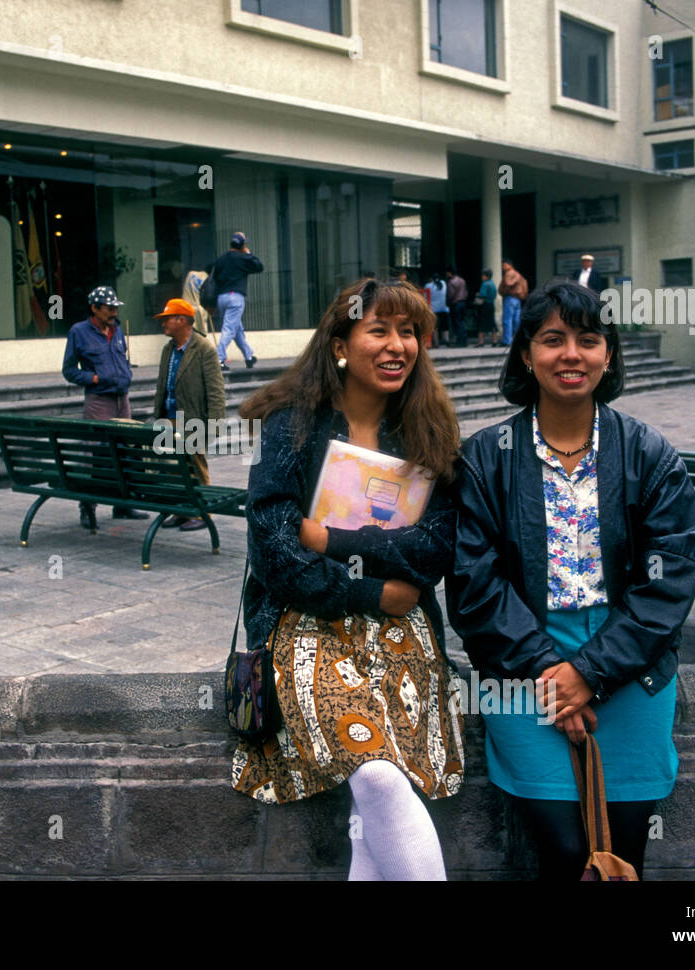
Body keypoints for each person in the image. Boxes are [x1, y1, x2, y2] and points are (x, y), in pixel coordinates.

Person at [447, 280, 695, 880]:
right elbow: (473, 581)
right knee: (563, 851)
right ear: (525, 354)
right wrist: (551, 674)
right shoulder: (486, 457)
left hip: (633, 665)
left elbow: (673, 573)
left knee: (625, 849)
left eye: (588, 340)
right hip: (520, 665)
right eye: (553, 339)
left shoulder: (648, 453)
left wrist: (590, 672)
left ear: (607, 355)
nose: (572, 354)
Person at [230, 277, 465, 880]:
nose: (397, 345)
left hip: (402, 635)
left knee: (374, 794)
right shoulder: (293, 426)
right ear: (340, 343)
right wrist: (374, 589)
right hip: (307, 626)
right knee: (378, 774)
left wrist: (333, 538)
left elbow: (435, 546)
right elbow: (278, 555)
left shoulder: (428, 431)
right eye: (379, 330)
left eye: (409, 332)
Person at [62, 285, 149, 530]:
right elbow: (68, 370)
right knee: (95, 453)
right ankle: (87, 506)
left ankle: (122, 504)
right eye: (109, 308)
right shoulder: (79, 332)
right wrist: (93, 379)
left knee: (123, 450)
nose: (113, 312)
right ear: (95, 309)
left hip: (122, 398)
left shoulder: (117, 330)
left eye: (115, 308)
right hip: (99, 400)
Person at [152, 298, 226, 531]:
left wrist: (213, 425)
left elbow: (215, 391)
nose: (163, 324)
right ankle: (181, 510)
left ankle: (203, 514)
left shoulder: (203, 348)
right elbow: (162, 385)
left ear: (182, 321)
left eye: (167, 319)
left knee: (196, 467)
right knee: (174, 468)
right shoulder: (168, 349)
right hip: (168, 417)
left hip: (193, 419)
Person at [207, 232, 263, 371]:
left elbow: (215, 280)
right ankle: (219, 359)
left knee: (237, 329)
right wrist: (248, 253)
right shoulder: (242, 258)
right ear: (242, 245)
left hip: (221, 298)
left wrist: (212, 304)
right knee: (229, 329)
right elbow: (259, 266)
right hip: (235, 297)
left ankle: (248, 356)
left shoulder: (221, 259)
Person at [498, 259, 528, 347]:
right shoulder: (519, 275)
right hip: (518, 300)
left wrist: (504, 292)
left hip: (510, 298)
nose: (502, 268)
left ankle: (507, 340)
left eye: (503, 265)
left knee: (507, 320)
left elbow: (508, 284)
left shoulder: (509, 273)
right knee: (516, 321)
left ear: (509, 265)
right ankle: (518, 340)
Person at [473, 268, 498, 347]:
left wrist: (477, 294)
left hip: (485, 305)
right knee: (492, 323)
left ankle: (481, 342)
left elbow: (482, 295)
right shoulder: (493, 284)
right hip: (491, 304)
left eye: (482, 275)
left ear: (485, 276)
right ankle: (495, 340)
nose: (481, 277)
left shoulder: (485, 284)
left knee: (481, 323)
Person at [445, 266, 469, 348]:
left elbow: (450, 294)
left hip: (455, 303)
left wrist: (448, 302)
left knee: (457, 323)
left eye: (447, 272)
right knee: (462, 322)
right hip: (463, 302)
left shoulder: (451, 282)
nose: (446, 274)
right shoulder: (462, 280)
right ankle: (464, 340)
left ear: (450, 273)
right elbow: (466, 292)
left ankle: (460, 341)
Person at [425, 273, 449, 346]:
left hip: (433, 309)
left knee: (435, 327)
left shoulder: (428, 285)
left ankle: (436, 343)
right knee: (445, 326)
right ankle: (446, 341)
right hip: (443, 309)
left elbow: (425, 297)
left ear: (431, 279)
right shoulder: (443, 283)